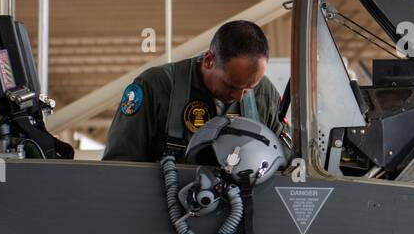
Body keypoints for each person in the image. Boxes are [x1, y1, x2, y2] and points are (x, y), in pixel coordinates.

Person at [103, 19, 282, 162]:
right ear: (209, 60)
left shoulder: (265, 94)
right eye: (231, 86)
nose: (239, 97)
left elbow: (284, 160)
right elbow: (120, 165)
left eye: (249, 88)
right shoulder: (155, 87)